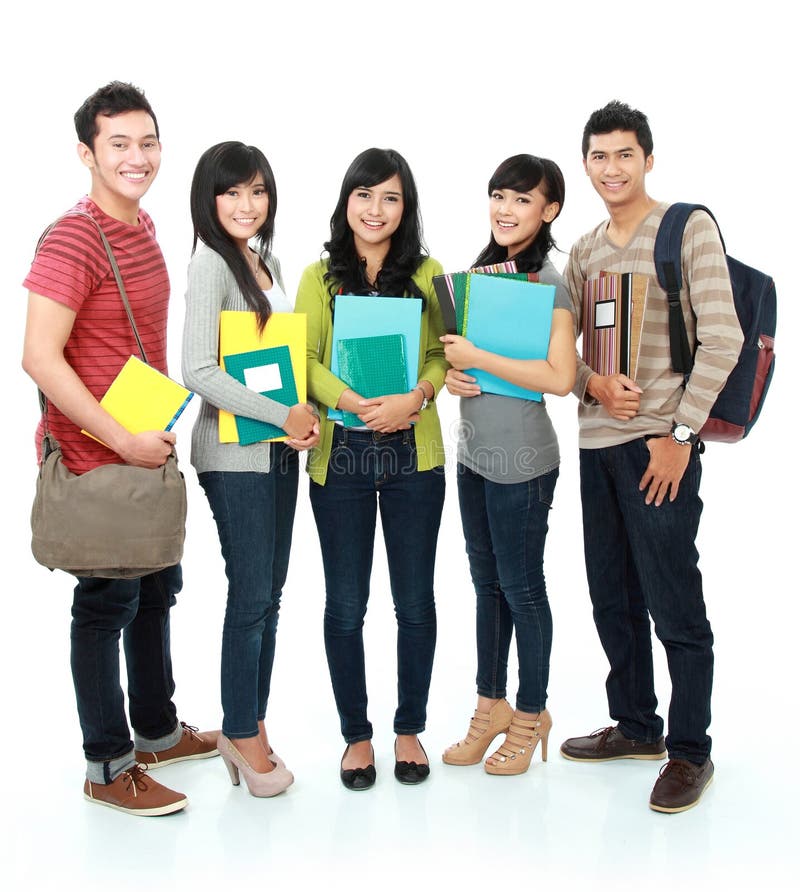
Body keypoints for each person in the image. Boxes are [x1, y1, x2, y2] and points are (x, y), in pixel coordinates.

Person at [22, 81, 218, 817]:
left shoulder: (141, 226)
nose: (137, 158)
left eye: (148, 142)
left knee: (156, 590)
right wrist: (122, 441)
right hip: (100, 456)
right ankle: (107, 768)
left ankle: (158, 731)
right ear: (86, 153)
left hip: (144, 445)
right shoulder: (73, 236)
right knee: (105, 604)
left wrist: (149, 438)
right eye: (119, 144)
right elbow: (41, 357)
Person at [559, 101, 743, 813]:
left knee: (674, 602)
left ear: (648, 159)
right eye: (599, 156)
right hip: (596, 446)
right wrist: (591, 381)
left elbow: (723, 337)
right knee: (612, 597)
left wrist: (682, 436)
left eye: (624, 154)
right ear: (586, 164)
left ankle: (690, 751)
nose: (612, 168)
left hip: (661, 446)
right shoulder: (584, 250)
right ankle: (637, 725)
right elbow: (562, 354)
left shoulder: (686, 228)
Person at [295, 147, 447, 790]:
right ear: (346, 201)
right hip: (344, 458)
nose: (375, 209)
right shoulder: (318, 275)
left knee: (414, 602)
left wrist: (417, 396)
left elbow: (442, 355)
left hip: (414, 455)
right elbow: (301, 357)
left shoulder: (430, 272)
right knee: (346, 604)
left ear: (405, 206)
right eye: (364, 194)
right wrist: (349, 400)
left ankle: (408, 728)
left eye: (389, 197)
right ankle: (356, 735)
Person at [182, 141, 318, 798]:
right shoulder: (210, 262)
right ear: (209, 200)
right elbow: (199, 369)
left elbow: (283, 357)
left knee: (271, 595)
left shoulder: (266, 259)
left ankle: (251, 723)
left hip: (277, 450)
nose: (246, 204)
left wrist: (304, 415)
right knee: (252, 594)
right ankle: (240, 731)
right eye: (232, 192)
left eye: (258, 191)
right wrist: (280, 414)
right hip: (233, 456)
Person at [439, 155, 575, 776]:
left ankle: (531, 713)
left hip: (523, 461)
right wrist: (456, 376)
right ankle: (489, 705)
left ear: (548, 211)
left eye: (522, 200)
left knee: (523, 589)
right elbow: (461, 368)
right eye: (498, 195)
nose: (505, 209)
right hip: (473, 456)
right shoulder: (478, 277)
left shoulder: (549, 281)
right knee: (486, 588)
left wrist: (480, 357)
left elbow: (561, 377)